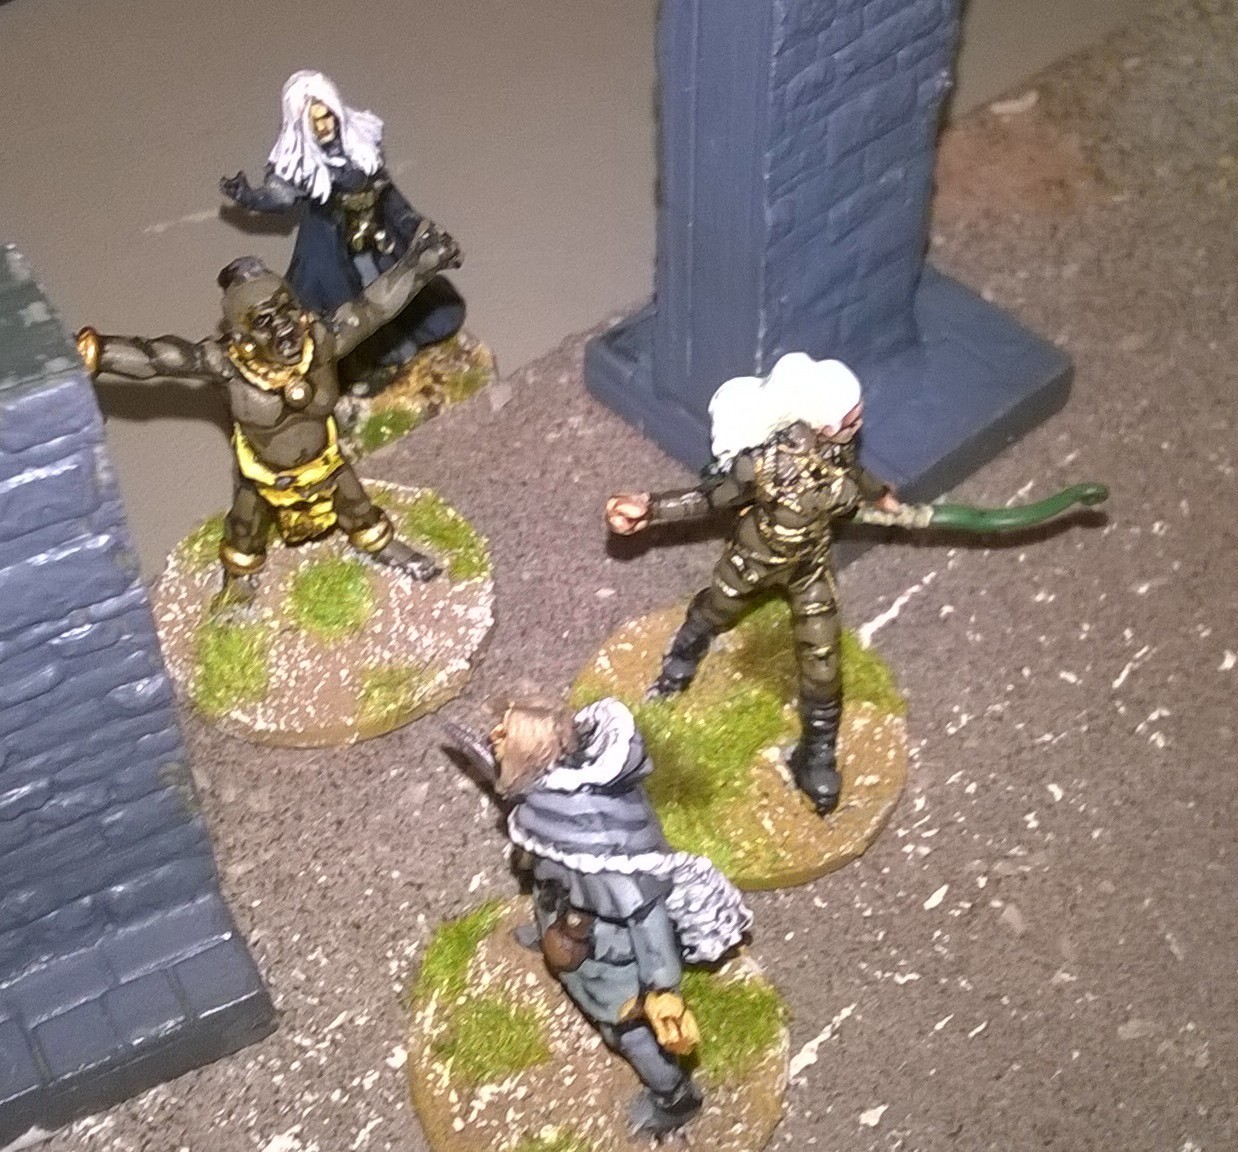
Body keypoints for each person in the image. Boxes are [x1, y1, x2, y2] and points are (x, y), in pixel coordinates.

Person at [76, 221, 461, 609]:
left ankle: (379, 545)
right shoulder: (225, 363)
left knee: (357, 506)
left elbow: (374, 307)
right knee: (244, 529)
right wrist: (99, 352)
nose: (283, 328)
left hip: (325, 460)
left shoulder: (322, 341)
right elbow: (159, 358)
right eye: (263, 322)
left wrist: (422, 263)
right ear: (241, 339)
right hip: (262, 476)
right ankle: (239, 582)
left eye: (285, 311)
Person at [606, 353, 901, 817]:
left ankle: (816, 755)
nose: (859, 423)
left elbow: (855, 475)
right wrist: (651, 508)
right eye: (852, 418)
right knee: (713, 611)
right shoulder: (762, 463)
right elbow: (709, 499)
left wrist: (879, 495)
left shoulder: (837, 451)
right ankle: (677, 668)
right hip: (753, 562)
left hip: (809, 568)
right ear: (824, 423)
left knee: (823, 659)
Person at [445, 697, 752, 1136]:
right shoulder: (551, 802)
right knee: (551, 920)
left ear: (534, 752)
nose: (494, 736)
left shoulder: (600, 848)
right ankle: (548, 939)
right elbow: (544, 854)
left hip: (608, 958)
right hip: (565, 923)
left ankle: (675, 1096)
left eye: (505, 732)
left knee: (623, 1032)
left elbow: (645, 915)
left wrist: (661, 989)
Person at [220, 69, 465, 392]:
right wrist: (249, 197)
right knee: (354, 312)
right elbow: (282, 196)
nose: (323, 127)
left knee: (405, 294)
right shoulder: (309, 167)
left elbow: (394, 203)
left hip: (380, 244)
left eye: (326, 117)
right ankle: (371, 363)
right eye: (314, 122)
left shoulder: (360, 150)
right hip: (336, 255)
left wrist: (422, 233)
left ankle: (403, 343)